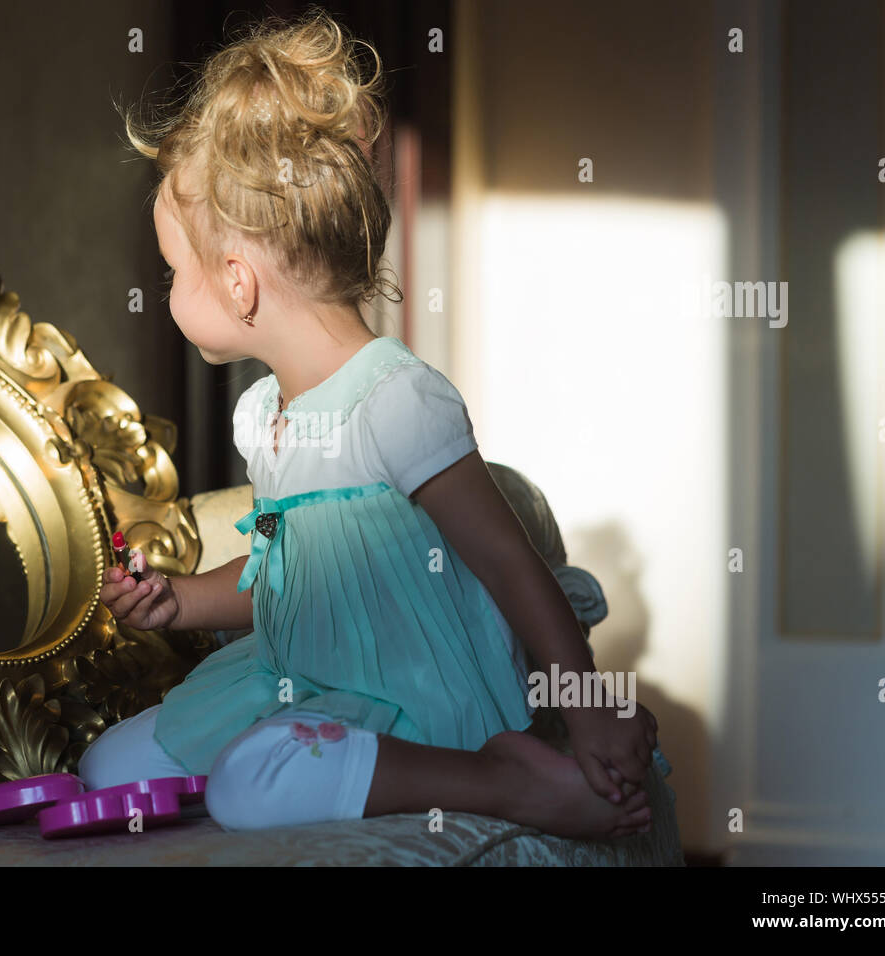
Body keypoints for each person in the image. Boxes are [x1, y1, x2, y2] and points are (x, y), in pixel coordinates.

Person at [80, 7, 666, 839]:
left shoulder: (395, 400)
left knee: (249, 786)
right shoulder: (266, 417)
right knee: (109, 766)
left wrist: (590, 706)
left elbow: (509, 563)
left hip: (410, 691)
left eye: (174, 270)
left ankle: (497, 777)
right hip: (301, 679)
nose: (169, 289)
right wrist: (178, 601)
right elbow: (295, 575)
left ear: (239, 283)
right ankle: (303, 754)